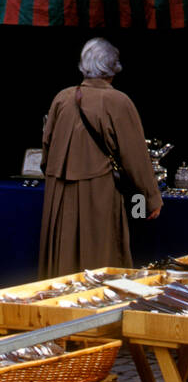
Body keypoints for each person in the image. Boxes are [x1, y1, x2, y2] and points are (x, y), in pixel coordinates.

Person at [39, 37, 161, 277]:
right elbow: (135, 161)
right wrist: (150, 200)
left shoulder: (62, 98)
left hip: (59, 196)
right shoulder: (119, 102)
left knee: (61, 266)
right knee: (99, 263)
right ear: (113, 68)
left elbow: (46, 155)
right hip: (100, 195)